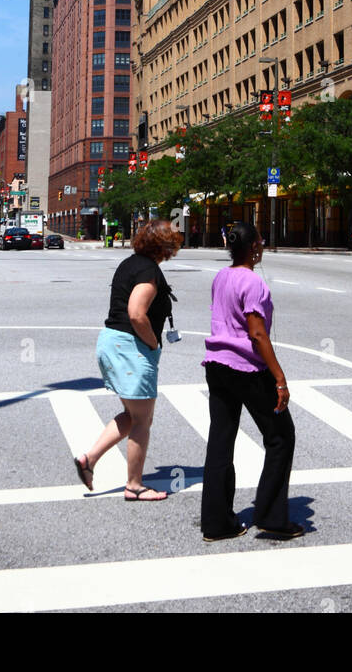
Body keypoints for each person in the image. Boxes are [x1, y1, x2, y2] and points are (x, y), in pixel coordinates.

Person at [200, 221, 302, 542]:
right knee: (281, 435)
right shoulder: (254, 283)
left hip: (217, 365)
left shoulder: (221, 277)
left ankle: (216, 524)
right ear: (255, 247)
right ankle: (271, 517)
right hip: (247, 369)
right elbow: (256, 333)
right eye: (260, 240)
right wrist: (280, 378)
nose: (262, 244)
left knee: (220, 441)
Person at [74, 218, 182, 501]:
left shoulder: (130, 263)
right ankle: (134, 486)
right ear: (164, 244)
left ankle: (89, 459)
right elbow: (136, 312)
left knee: (134, 415)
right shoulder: (148, 271)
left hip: (112, 342)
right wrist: (152, 342)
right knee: (142, 422)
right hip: (130, 347)